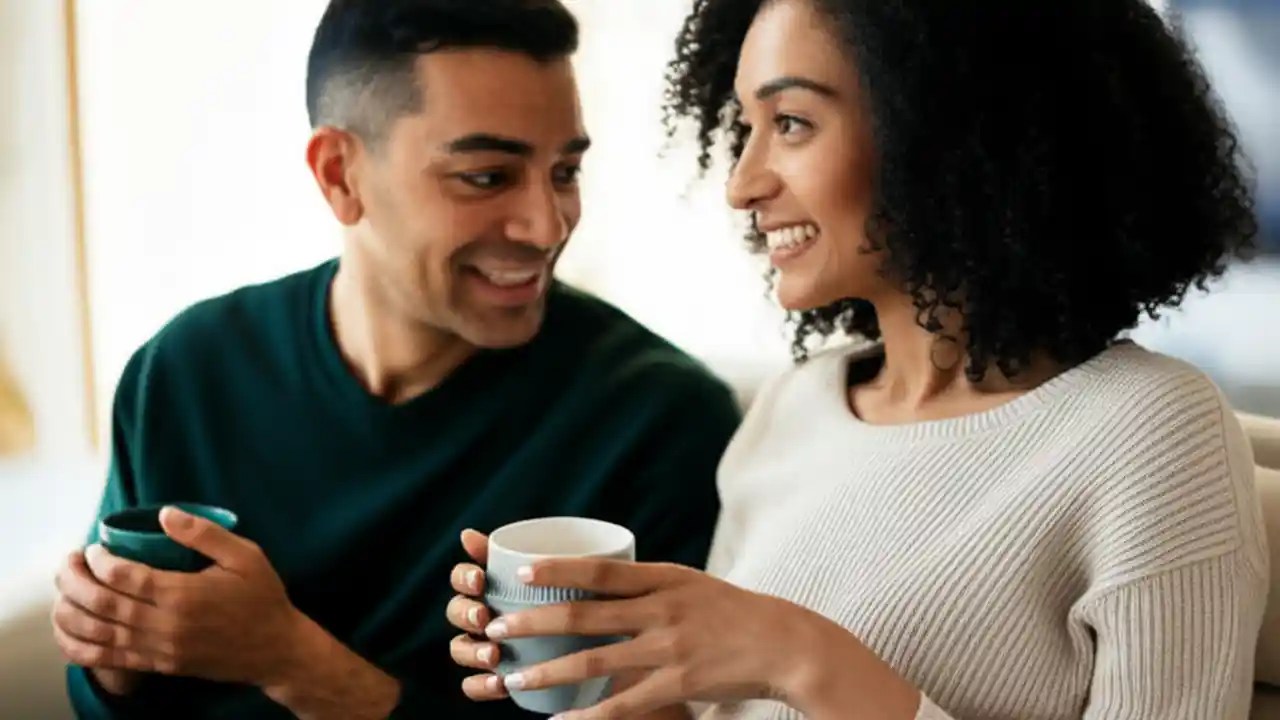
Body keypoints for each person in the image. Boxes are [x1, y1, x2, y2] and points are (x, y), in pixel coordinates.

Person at [446, 0, 1270, 718]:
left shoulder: (1151, 432)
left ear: (948, 128)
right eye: (745, 128)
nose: (742, 183)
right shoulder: (795, 406)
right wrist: (614, 685)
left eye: (791, 123)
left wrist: (802, 657)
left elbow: (788, 663)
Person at [50, 1, 740, 718]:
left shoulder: (657, 422)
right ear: (340, 175)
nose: (547, 225)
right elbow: (114, 693)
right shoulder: (187, 372)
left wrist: (292, 661)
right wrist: (111, 655)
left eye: (564, 171)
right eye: (487, 177)